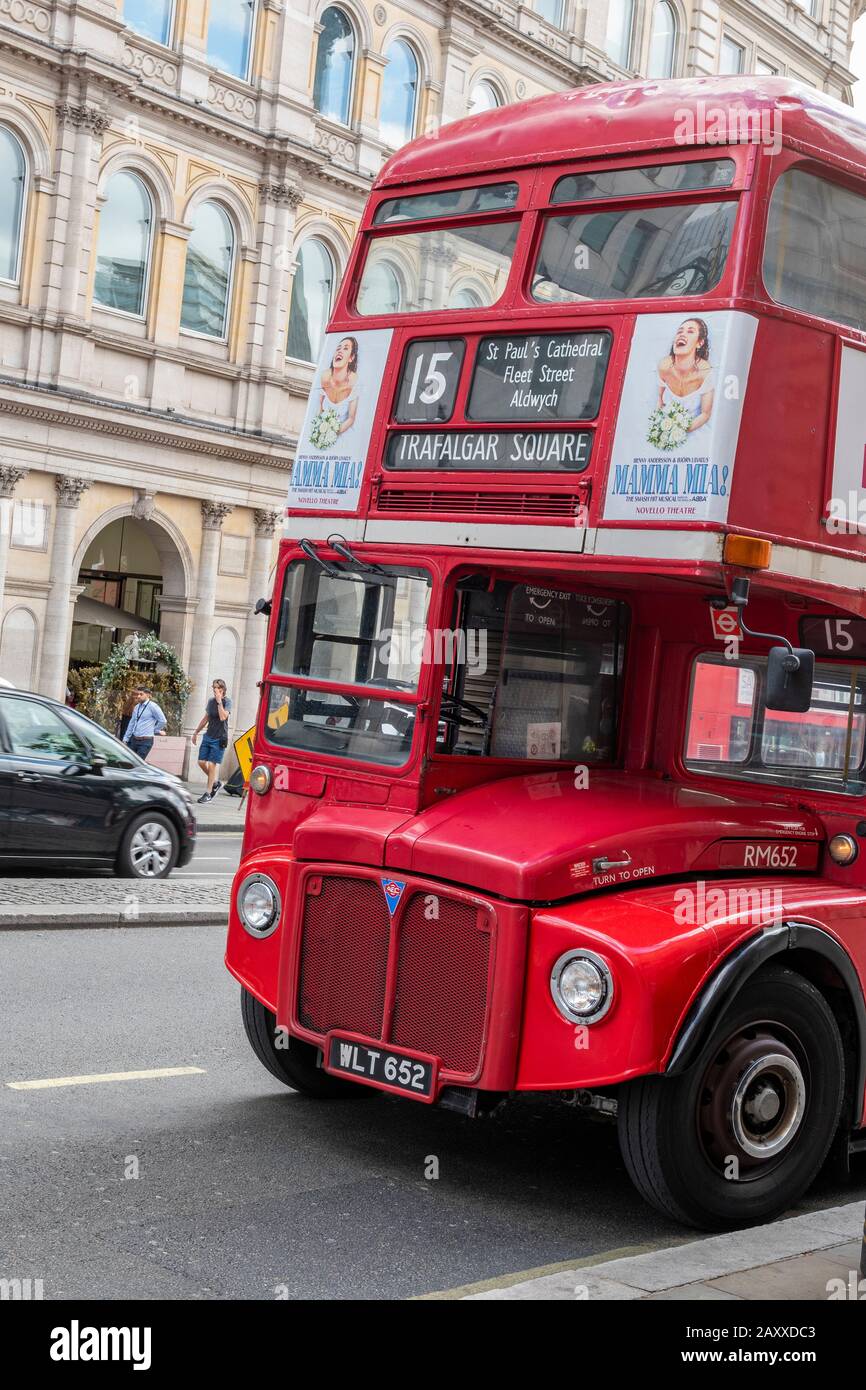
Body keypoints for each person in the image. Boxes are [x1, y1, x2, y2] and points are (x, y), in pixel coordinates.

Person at [657, 317, 715, 433]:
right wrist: (661, 427)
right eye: (680, 331)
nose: (682, 335)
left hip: (693, 433)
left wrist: (678, 432)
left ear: (700, 343)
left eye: (690, 331)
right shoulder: (664, 366)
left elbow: (705, 414)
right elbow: (660, 399)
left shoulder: (705, 372)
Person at [192, 679, 232, 802]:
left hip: (220, 738)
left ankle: (208, 793)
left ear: (222, 689)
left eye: (217, 687)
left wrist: (220, 702)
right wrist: (196, 732)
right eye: (213, 687)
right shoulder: (210, 701)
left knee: (212, 765)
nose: (214, 689)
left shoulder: (227, 702)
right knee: (201, 762)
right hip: (208, 735)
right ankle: (215, 783)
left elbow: (223, 717)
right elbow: (206, 718)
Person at [318, 336, 359, 437]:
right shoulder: (324, 377)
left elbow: (351, 419)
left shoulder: (354, 382)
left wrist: (332, 434)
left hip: (341, 437)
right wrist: (320, 431)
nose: (340, 351)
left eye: (345, 348)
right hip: (322, 437)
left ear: (351, 358)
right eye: (338, 348)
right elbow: (319, 409)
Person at [122, 686, 168, 761]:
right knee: (128, 762)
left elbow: (163, 721)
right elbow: (132, 723)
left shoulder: (153, 706)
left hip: (145, 742)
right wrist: (125, 739)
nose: (138, 696)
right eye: (137, 694)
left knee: (137, 763)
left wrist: (154, 730)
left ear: (148, 695)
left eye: (141, 694)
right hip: (133, 740)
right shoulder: (137, 707)